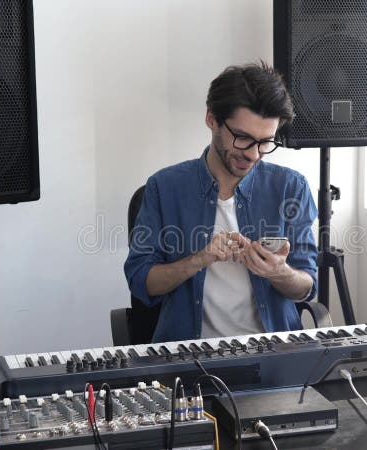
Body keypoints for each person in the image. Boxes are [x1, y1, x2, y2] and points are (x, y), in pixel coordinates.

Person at [124, 62, 318, 343]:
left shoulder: (291, 188)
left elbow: (306, 287)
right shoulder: (164, 188)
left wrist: (279, 272)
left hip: (274, 353)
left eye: (265, 142)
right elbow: (141, 282)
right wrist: (199, 260)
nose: (253, 154)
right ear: (212, 119)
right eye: (243, 138)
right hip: (189, 354)